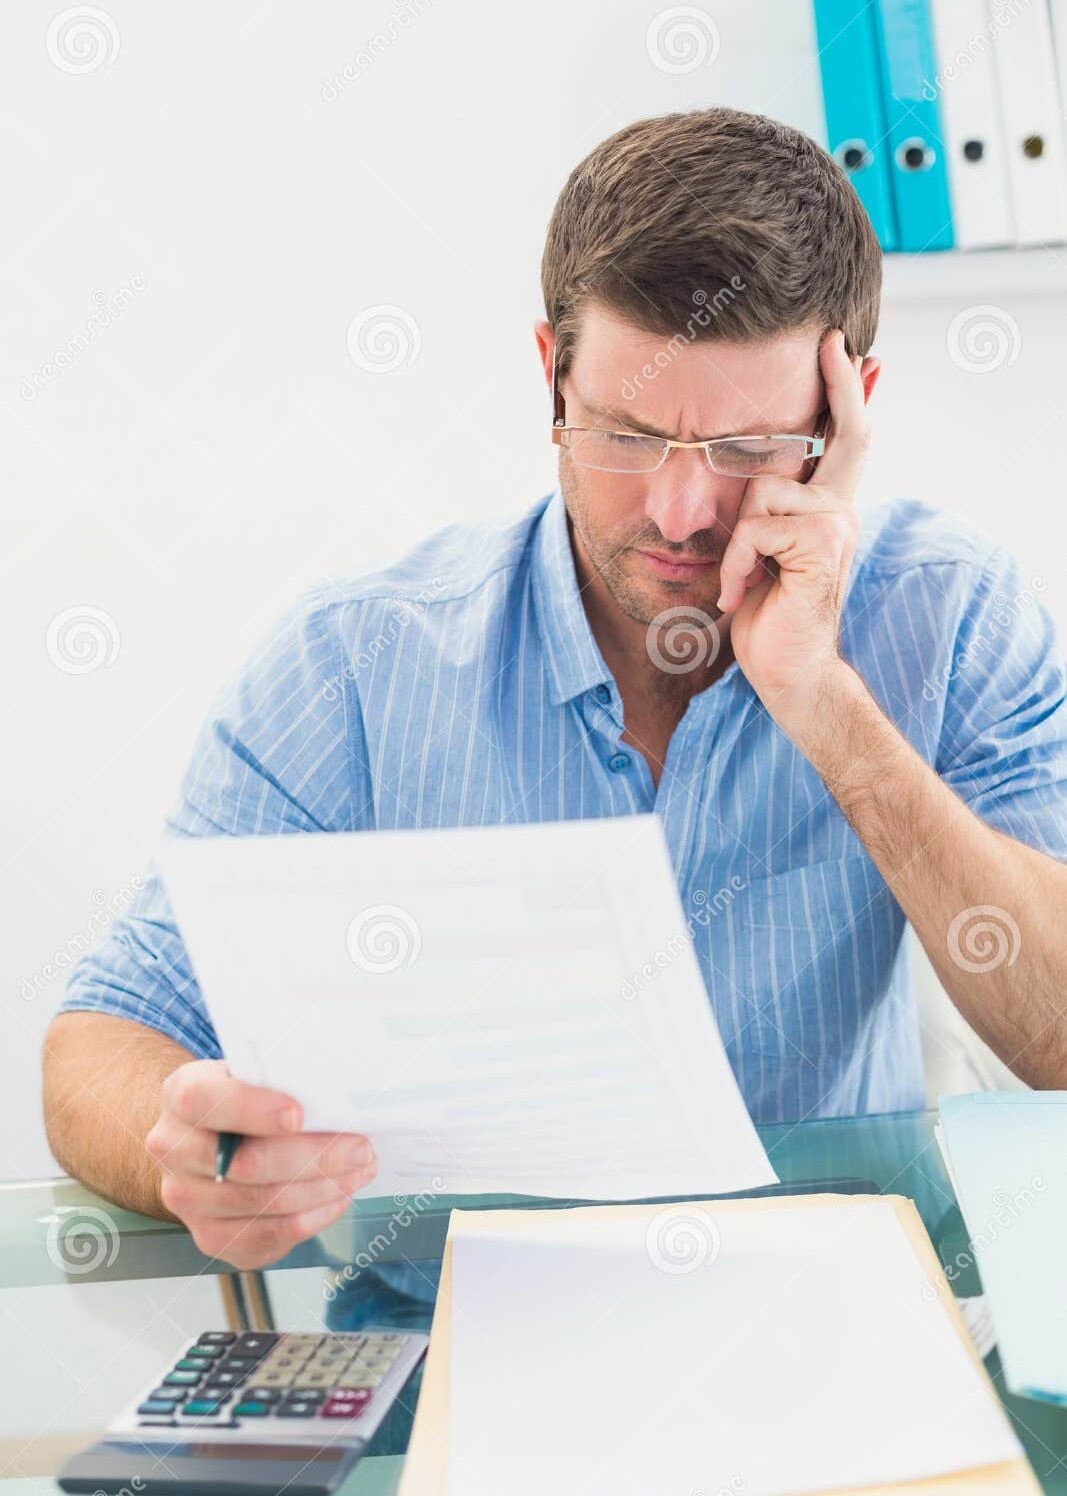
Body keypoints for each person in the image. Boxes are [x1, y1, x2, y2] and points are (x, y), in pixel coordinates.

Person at [44, 108, 1067, 1304]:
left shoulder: (945, 611)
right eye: (627, 435)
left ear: (846, 412)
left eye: (745, 446)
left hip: (836, 1322)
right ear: (549, 376)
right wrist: (195, 1150)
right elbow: (106, 1032)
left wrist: (818, 697)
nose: (683, 510)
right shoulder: (359, 661)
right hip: (454, 1352)